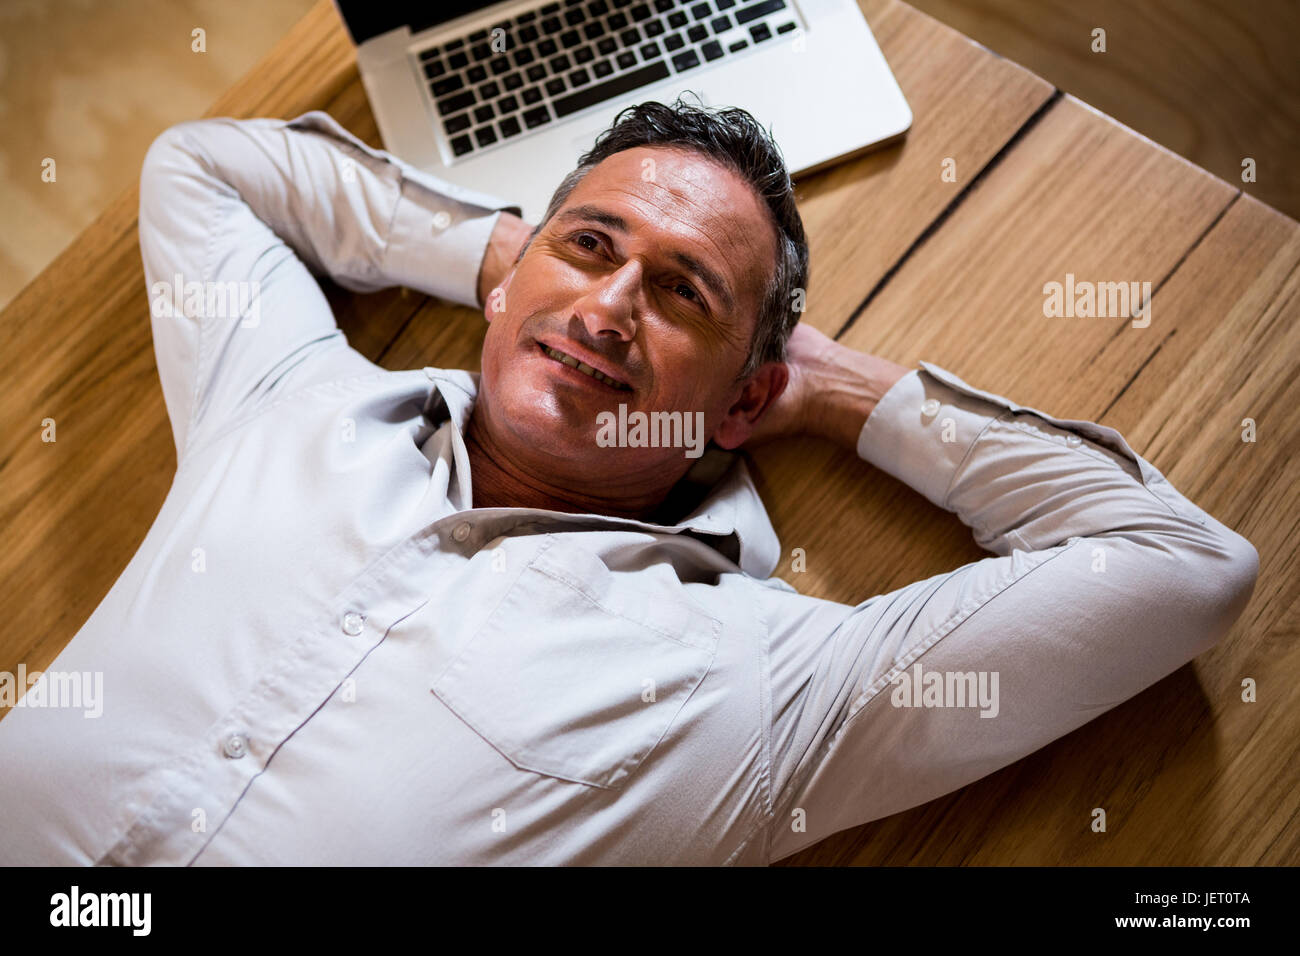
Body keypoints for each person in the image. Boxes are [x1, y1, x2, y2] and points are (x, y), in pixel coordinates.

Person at [0, 97, 1257, 866]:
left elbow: (1179, 566)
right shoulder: (288, 397)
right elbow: (205, 168)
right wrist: (518, 267)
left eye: (680, 292)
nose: (608, 307)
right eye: (590, 248)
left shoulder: (768, 684)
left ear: (742, 399)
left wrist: (844, 394)